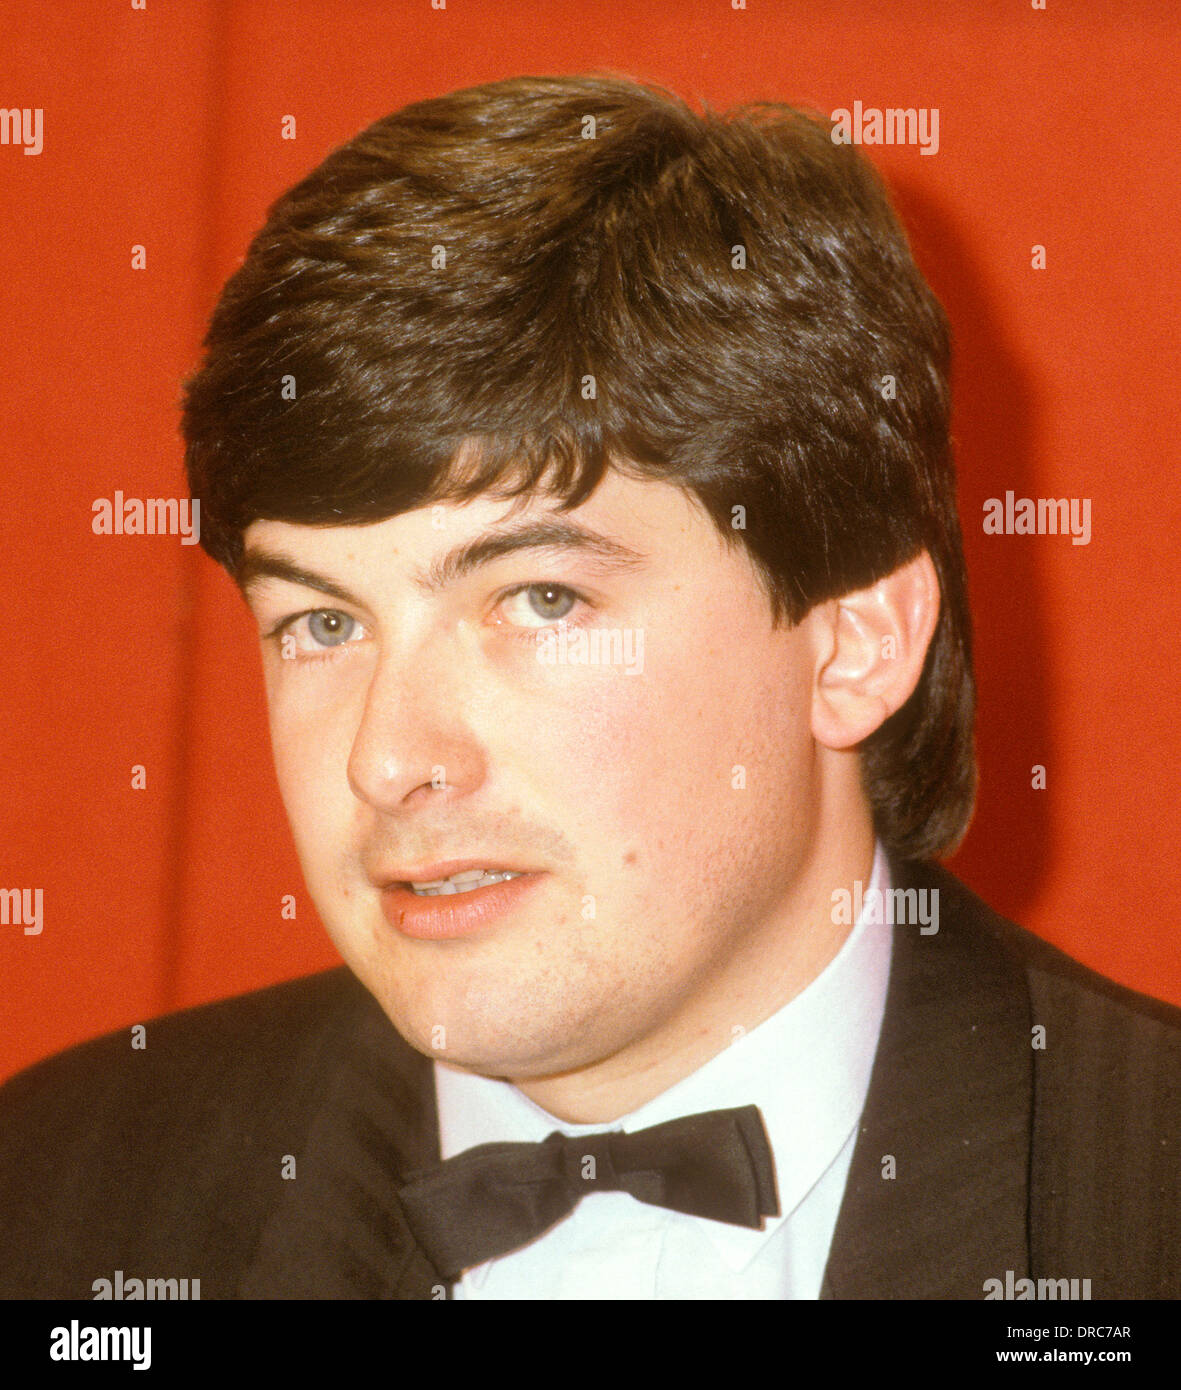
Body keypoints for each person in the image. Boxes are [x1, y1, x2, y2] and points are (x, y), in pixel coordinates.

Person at [1, 73, 1177, 1302]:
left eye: (540, 600)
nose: (388, 759)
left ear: (854, 643)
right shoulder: (59, 1197)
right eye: (322, 620)